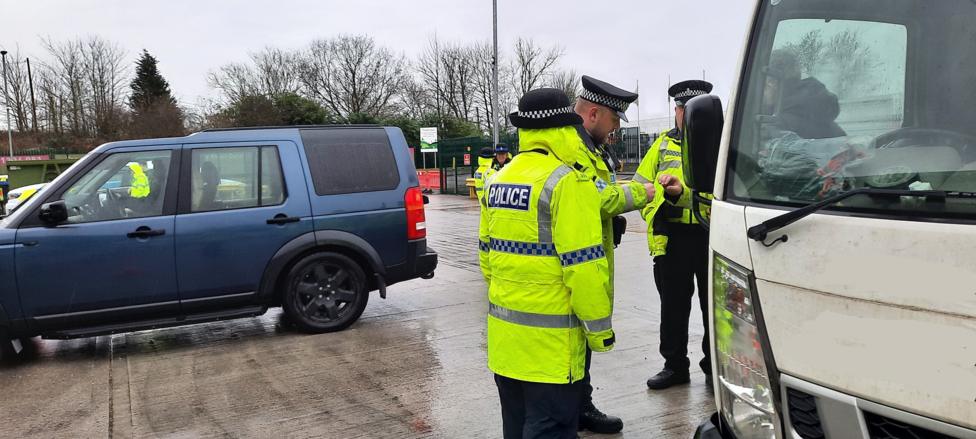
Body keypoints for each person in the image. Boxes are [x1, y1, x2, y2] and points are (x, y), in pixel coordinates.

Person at [480, 88, 615, 438]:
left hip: (506, 345)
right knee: (550, 429)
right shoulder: (568, 182)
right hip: (553, 353)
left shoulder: (497, 180)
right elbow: (584, 268)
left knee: (515, 427)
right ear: (564, 129)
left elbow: (486, 258)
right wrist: (600, 335)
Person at [572, 75, 660, 434]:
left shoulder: (589, 148)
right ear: (593, 113)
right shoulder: (574, 151)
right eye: (613, 121)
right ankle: (574, 410)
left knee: (582, 339)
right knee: (573, 340)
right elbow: (599, 198)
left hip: (590, 259)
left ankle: (580, 406)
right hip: (575, 264)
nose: (616, 130)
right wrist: (645, 192)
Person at [635, 79, 714, 390]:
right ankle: (674, 366)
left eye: (692, 109)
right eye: (682, 109)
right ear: (677, 111)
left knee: (716, 309)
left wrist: (683, 193)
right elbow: (641, 191)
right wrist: (662, 199)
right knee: (673, 308)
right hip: (672, 239)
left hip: (712, 237)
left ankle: (714, 366)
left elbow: (726, 197)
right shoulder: (662, 145)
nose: (685, 115)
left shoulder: (720, 146)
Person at [764, 49, 846, 139]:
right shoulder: (827, 122)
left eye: (763, 85)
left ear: (772, 82)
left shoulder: (778, 127)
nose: (762, 92)